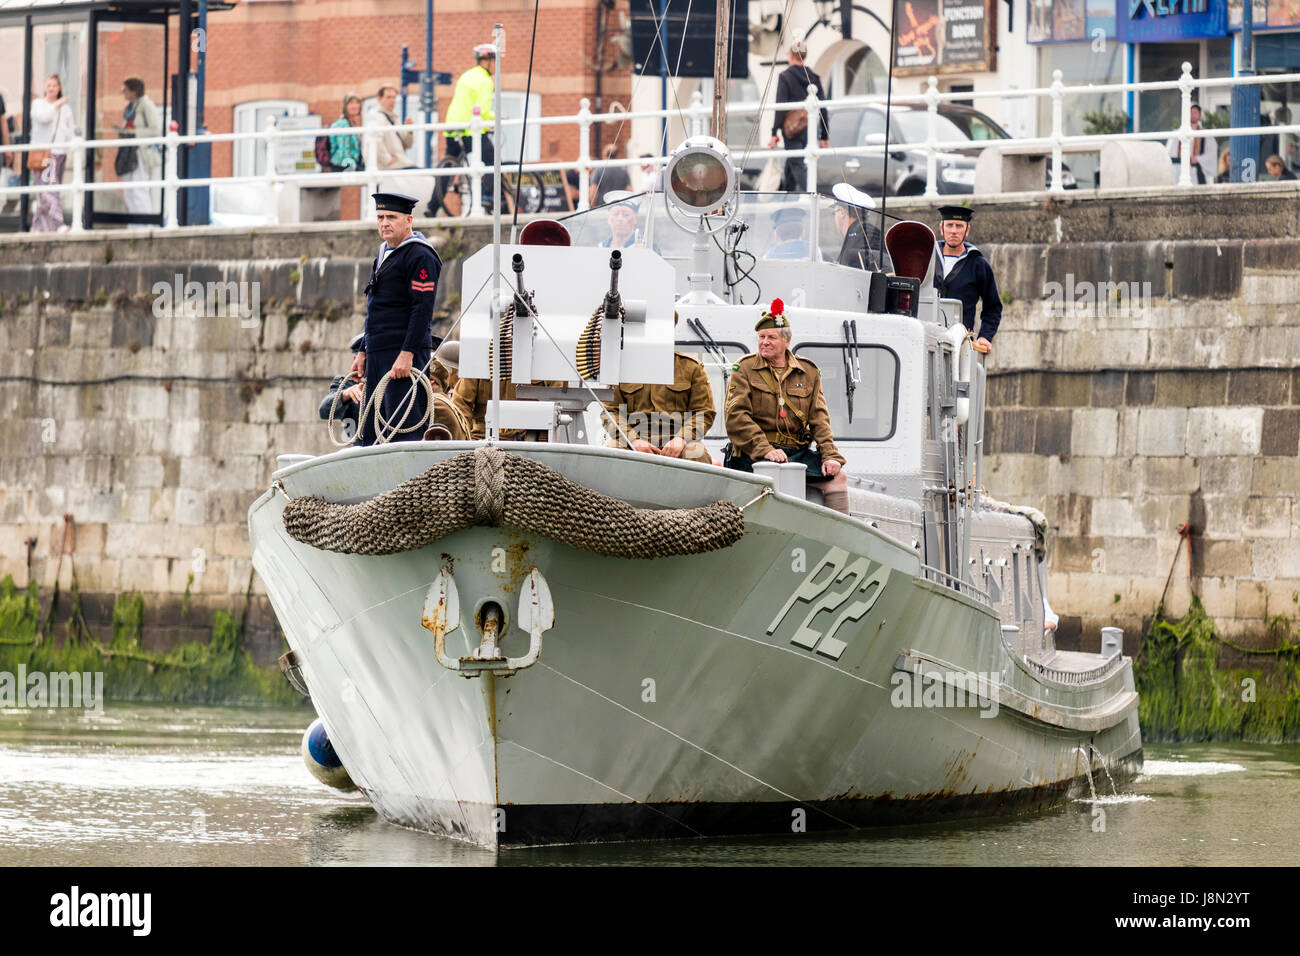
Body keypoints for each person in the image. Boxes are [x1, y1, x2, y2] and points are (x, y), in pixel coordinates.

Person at [724, 298, 849, 515]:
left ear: (786, 340)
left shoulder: (808, 372)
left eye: (771, 337)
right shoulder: (743, 369)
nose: (764, 342)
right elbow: (736, 416)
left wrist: (829, 455)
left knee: (837, 478)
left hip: (795, 452)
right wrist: (766, 450)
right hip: (753, 453)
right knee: (768, 475)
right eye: (761, 337)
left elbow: (819, 419)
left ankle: (842, 537)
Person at [350, 192, 443, 445]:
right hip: (379, 353)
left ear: (409, 220)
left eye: (392, 217)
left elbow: (422, 308)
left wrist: (408, 353)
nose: (384, 223)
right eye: (380, 217)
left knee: (404, 430)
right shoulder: (383, 252)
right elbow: (375, 308)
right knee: (370, 433)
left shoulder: (419, 255)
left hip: (402, 356)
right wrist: (363, 350)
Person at [604, 313, 715, 463]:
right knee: (610, 452)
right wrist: (633, 440)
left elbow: (704, 412)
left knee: (696, 453)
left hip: (678, 440)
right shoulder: (623, 366)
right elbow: (610, 412)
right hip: (632, 441)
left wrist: (681, 438)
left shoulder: (690, 368)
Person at [933, 205, 999, 355]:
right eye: (949, 225)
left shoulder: (978, 264)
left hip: (961, 345)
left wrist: (984, 336)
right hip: (929, 339)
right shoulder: (928, 258)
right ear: (941, 228)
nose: (954, 231)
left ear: (967, 230)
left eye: (959, 226)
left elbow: (993, 307)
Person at [766, 42, 829, 193]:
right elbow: (823, 107)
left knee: (796, 163)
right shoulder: (814, 77)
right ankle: (786, 203)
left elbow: (780, 107)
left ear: (790, 55)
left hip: (792, 129)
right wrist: (824, 136)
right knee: (792, 164)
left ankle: (813, 195)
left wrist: (774, 133)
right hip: (810, 128)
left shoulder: (785, 77)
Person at [445, 44, 497, 203]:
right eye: (495, 62)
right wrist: (493, 119)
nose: (496, 66)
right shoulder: (485, 80)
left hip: (452, 127)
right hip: (469, 129)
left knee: (448, 168)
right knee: (492, 160)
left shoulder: (466, 75)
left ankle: (433, 205)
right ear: (488, 62)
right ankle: (486, 196)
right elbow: (481, 110)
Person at [29, 74, 76, 232]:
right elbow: (43, 118)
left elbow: (70, 131)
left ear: (59, 88)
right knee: (49, 188)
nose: (51, 88)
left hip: (59, 153)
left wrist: (74, 149)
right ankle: (58, 223)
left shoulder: (66, 109)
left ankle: (39, 226)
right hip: (43, 155)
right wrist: (56, 105)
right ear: (44, 87)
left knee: (48, 189)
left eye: (54, 85)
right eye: (48, 85)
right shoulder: (38, 104)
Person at [119, 78, 162, 221]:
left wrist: (135, 133)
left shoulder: (146, 105)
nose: (122, 92)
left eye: (125, 89)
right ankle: (134, 223)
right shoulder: (130, 107)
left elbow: (156, 130)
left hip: (140, 152)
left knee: (139, 189)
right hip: (128, 152)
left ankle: (145, 223)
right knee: (129, 190)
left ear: (134, 91)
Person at [831, 182, 890, 271]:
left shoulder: (864, 232)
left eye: (834, 212)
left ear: (842, 212)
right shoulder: (857, 231)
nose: (834, 217)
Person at [320, 331, 367, 442]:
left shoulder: (388, 381)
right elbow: (324, 411)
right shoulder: (346, 383)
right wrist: (346, 394)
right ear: (356, 360)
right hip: (362, 449)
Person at [1165, 104, 1215, 185]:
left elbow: (1211, 155)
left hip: (1197, 171)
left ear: (1199, 116)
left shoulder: (1207, 136)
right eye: (1190, 112)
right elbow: (1168, 154)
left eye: (1195, 112)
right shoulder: (1176, 134)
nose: (1192, 115)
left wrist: (1198, 159)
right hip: (1179, 170)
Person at [328, 93, 365, 172]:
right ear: (345, 106)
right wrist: (352, 168)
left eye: (357, 103)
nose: (355, 106)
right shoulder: (343, 124)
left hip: (350, 166)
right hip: (343, 168)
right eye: (351, 103)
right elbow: (343, 151)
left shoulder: (352, 123)